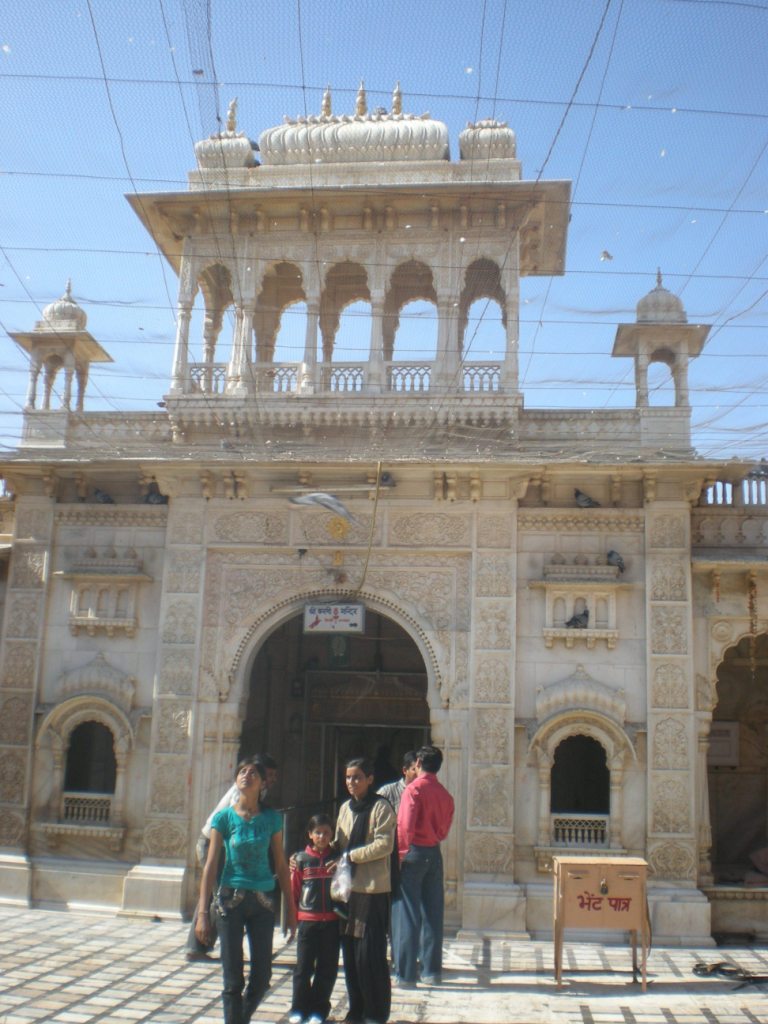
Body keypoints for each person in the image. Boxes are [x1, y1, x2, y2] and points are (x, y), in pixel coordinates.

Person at [195, 758, 296, 1024]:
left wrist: (291, 910)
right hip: (230, 899)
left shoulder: (271, 819)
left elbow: (281, 864)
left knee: (262, 977)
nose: (246, 775)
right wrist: (203, 913)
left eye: (253, 773)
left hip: (263, 901)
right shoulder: (223, 818)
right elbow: (211, 866)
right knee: (232, 980)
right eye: (242, 771)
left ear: (262, 783)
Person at [186, 753, 279, 960]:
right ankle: (200, 945)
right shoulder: (243, 790)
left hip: (223, 845)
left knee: (217, 893)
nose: (272, 779)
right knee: (220, 894)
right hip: (213, 843)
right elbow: (236, 823)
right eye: (270, 774)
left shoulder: (258, 792)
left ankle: (200, 945)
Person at [335, 757, 396, 1024]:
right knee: (351, 954)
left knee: (370, 955)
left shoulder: (381, 807)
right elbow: (339, 842)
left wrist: (352, 856)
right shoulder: (345, 808)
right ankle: (356, 1009)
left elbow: (385, 844)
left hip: (372, 889)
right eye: (348, 777)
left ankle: (376, 1012)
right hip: (350, 890)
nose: (352, 782)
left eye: (357, 777)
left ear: (370, 779)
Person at [394, 745, 454, 988]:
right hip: (433, 852)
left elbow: (405, 826)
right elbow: (444, 830)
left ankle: (407, 974)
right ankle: (431, 971)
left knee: (408, 913)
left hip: (413, 852)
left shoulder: (413, 790)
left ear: (418, 762)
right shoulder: (445, 794)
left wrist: (400, 854)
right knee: (433, 913)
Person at [289, 814, 340, 1024]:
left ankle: (319, 1010)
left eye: (326, 832)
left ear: (332, 834)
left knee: (326, 968)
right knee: (303, 968)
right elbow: (294, 891)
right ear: (310, 834)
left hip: (331, 921)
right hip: (308, 920)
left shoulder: (336, 858)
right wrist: (293, 919)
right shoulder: (301, 860)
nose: (322, 836)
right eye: (317, 832)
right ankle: (298, 1009)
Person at [376, 750, 418, 815]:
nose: (419, 773)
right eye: (414, 769)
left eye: (421, 770)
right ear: (405, 770)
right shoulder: (387, 791)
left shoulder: (427, 793)